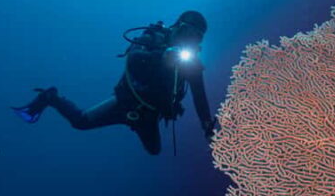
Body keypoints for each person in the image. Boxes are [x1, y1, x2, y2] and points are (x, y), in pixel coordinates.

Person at [12, 10, 217, 155]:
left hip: (151, 113)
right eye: (189, 33)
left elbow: (200, 96)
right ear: (178, 27)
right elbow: (133, 59)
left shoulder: (191, 63)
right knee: (81, 122)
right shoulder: (154, 37)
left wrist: (207, 126)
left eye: (197, 38)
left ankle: (135, 123)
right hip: (126, 100)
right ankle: (51, 98)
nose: (191, 40)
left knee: (154, 151)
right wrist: (162, 56)